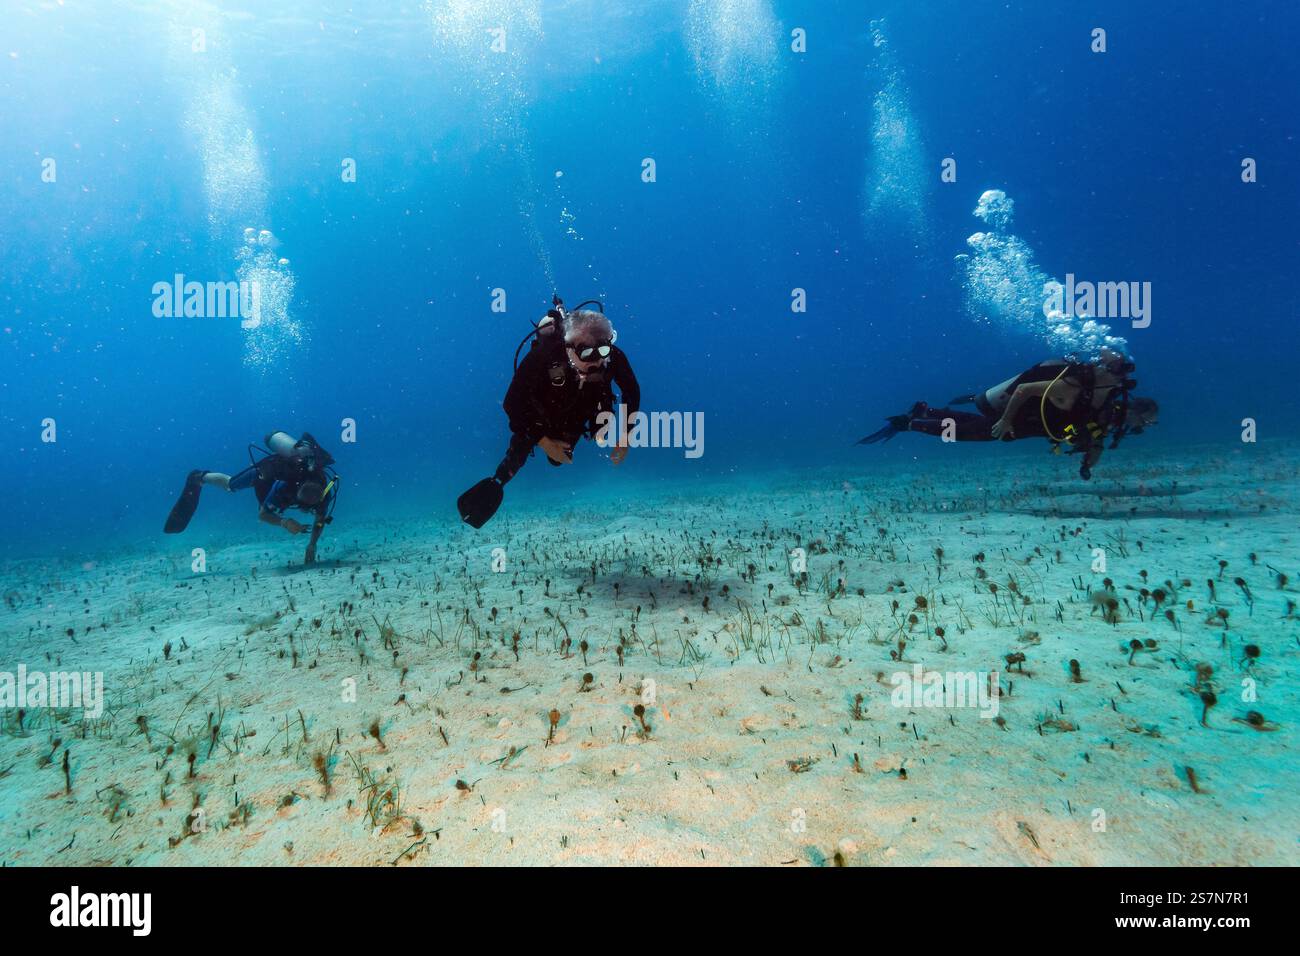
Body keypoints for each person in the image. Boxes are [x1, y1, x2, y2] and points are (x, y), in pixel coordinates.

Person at [458, 297, 641, 527]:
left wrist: (625, 437)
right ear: (568, 348)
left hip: (583, 408)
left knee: (563, 456)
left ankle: (584, 436)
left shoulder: (611, 357)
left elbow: (632, 392)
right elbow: (512, 403)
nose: (596, 361)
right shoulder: (546, 355)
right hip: (544, 412)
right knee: (526, 441)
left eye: (602, 350)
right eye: (586, 354)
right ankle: (498, 481)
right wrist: (545, 443)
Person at [858, 351, 1158, 479]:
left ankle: (926, 411)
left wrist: (1086, 466)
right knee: (966, 433)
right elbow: (1025, 390)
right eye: (1145, 421)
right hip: (1017, 419)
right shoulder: (1074, 388)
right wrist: (1006, 420)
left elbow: (1095, 442)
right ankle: (911, 423)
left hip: (1027, 424)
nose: (1143, 427)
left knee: (973, 427)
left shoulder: (1105, 408)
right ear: (1136, 411)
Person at [164, 430, 339, 563]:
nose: (307, 506)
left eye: (312, 503)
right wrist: (284, 522)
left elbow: (320, 519)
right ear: (296, 493)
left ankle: (201, 477)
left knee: (231, 486)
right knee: (231, 485)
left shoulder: (325, 493)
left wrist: (312, 544)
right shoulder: (283, 487)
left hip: (288, 474)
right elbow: (263, 515)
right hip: (264, 475)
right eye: (305, 502)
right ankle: (199, 477)